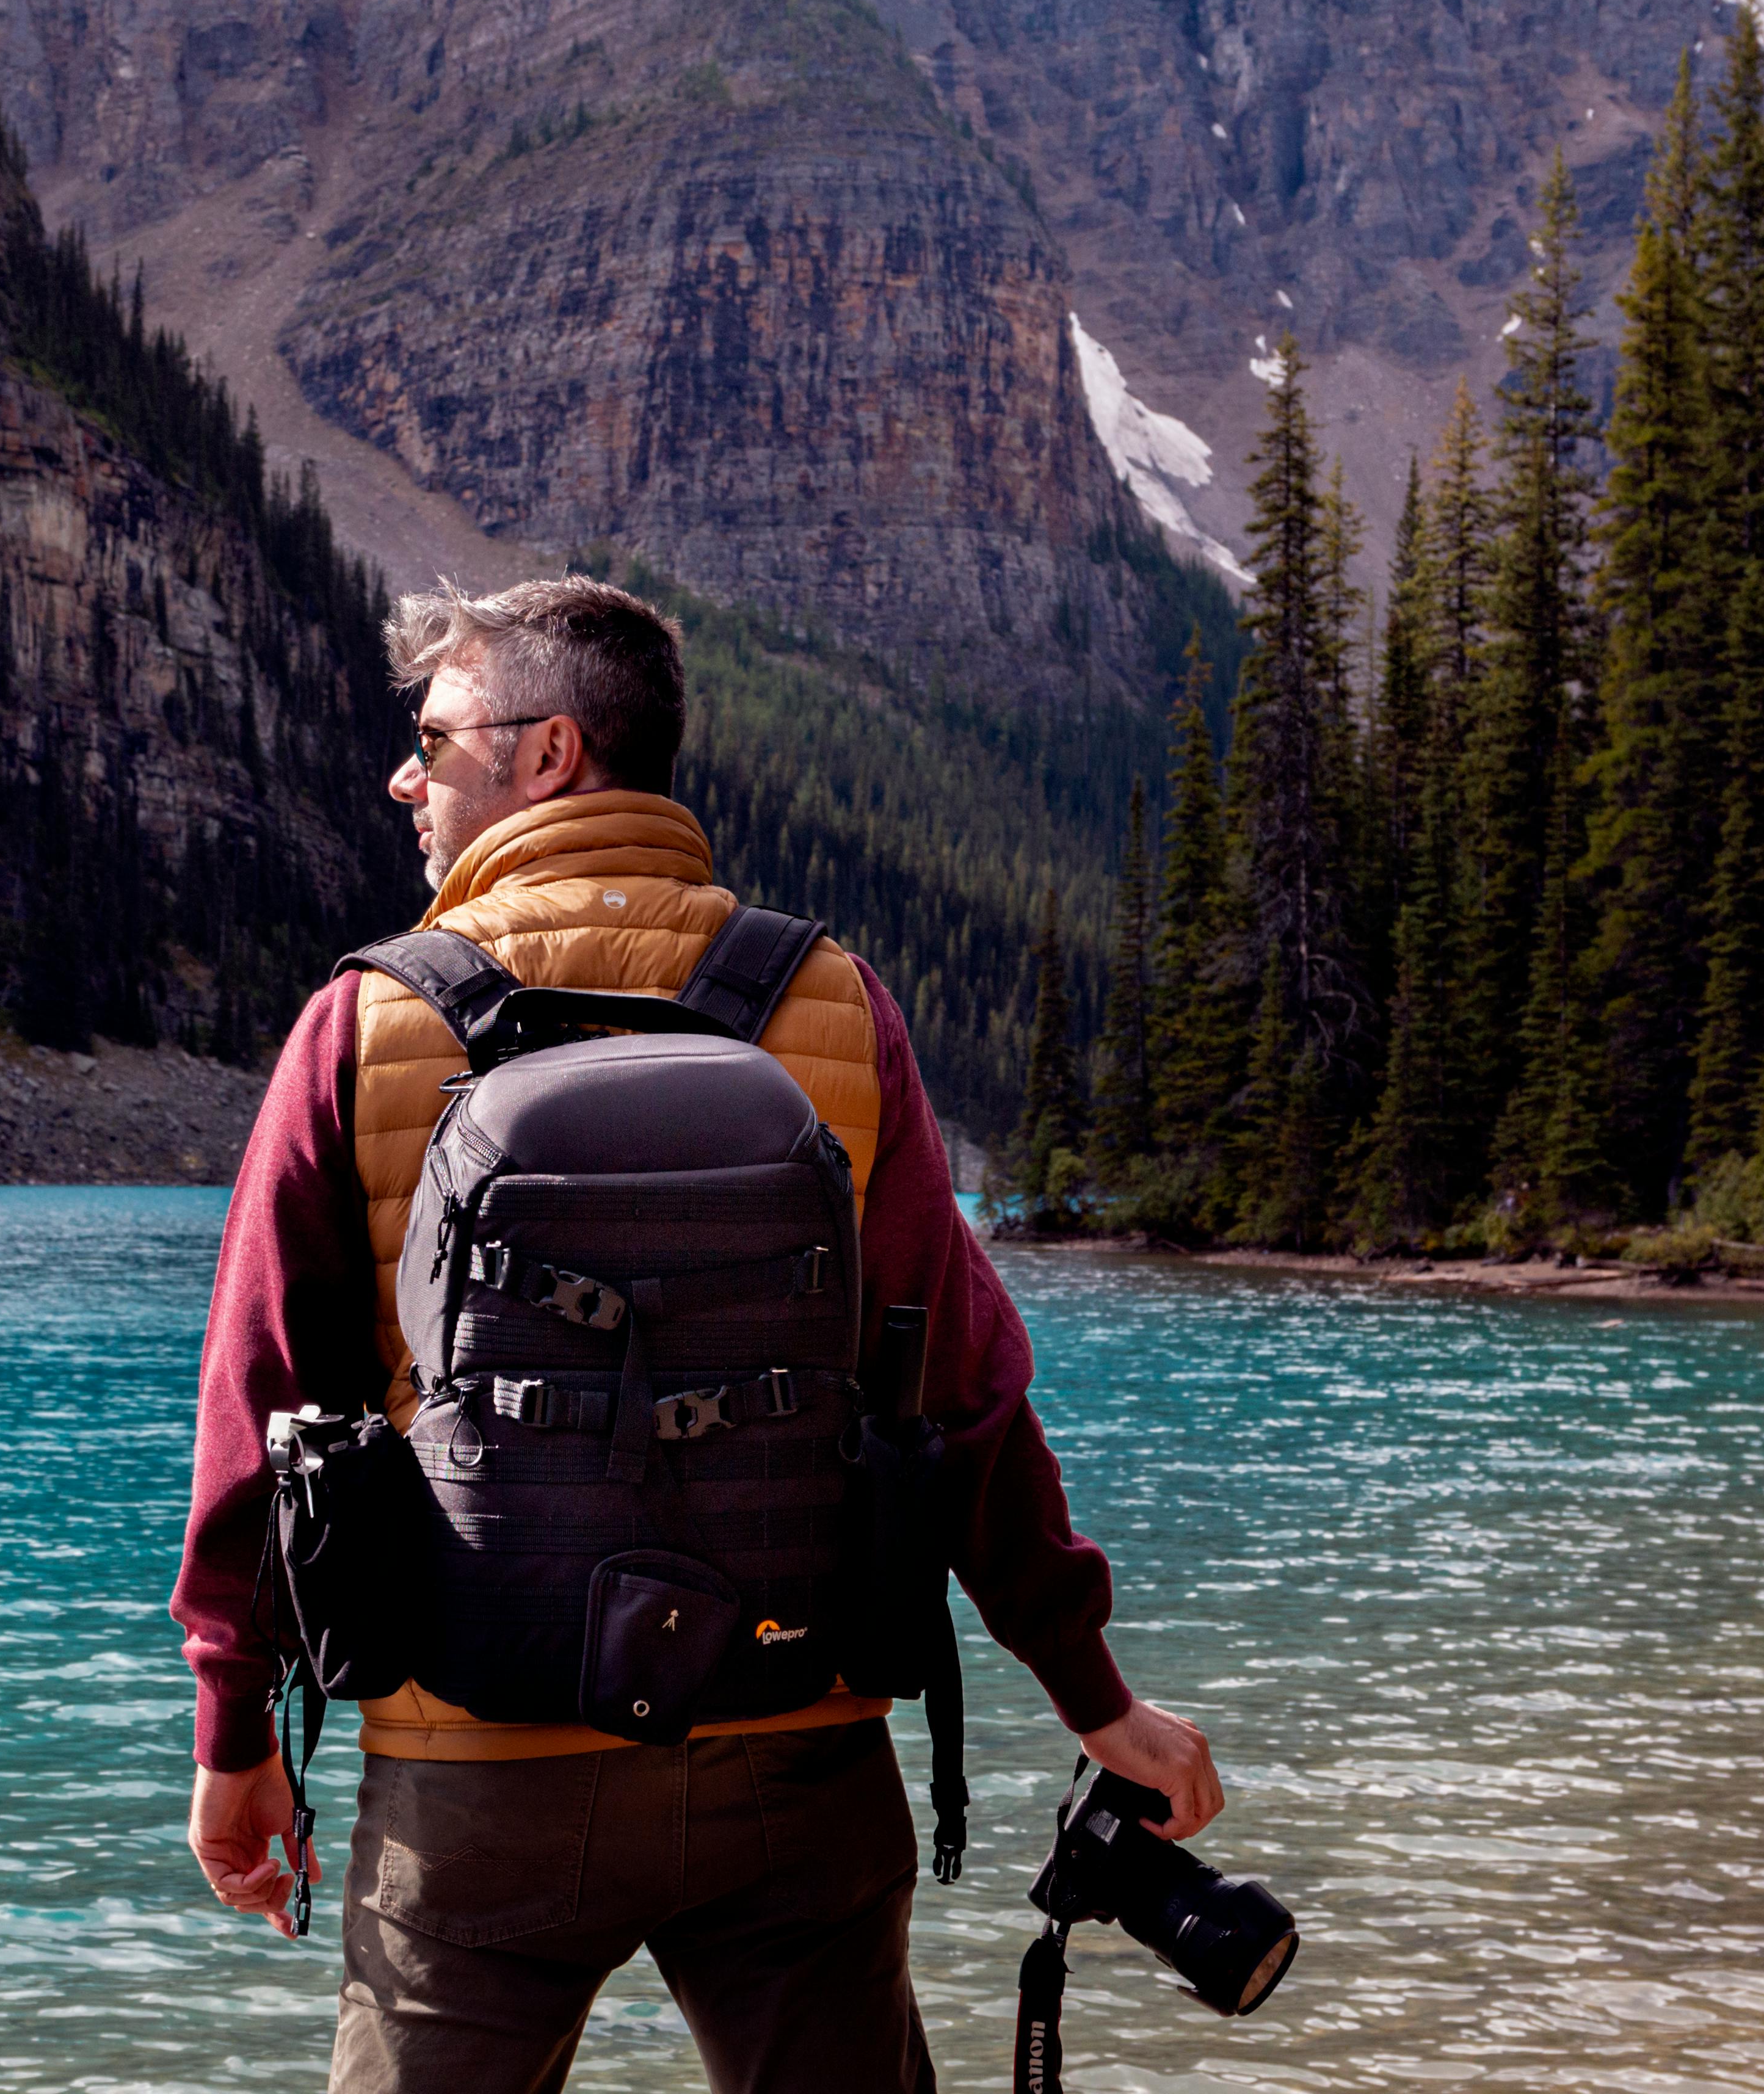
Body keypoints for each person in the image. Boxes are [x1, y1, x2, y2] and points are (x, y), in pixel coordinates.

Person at [172, 574, 1224, 2093]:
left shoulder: (369, 1022)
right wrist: (1093, 1694)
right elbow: (967, 1392)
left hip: (476, 1765)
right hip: (796, 1754)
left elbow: (261, 1400)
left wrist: (233, 1733)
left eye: (435, 738)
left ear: (549, 755)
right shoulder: (836, 1007)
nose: (407, 775)